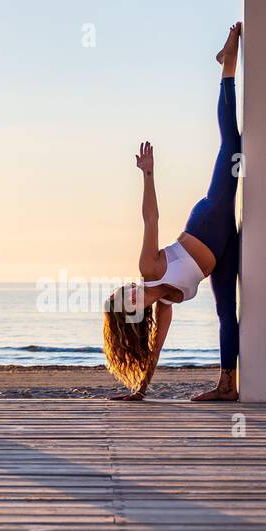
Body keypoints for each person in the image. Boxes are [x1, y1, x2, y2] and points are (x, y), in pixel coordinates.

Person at [103, 22, 242, 401]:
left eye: (123, 291)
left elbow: (151, 219)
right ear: (134, 312)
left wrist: (148, 175)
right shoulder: (163, 306)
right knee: (227, 312)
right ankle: (227, 385)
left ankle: (226, 66)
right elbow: (156, 349)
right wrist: (139, 390)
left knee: (233, 147)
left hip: (208, 223)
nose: (129, 289)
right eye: (127, 297)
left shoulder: (149, 269)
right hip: (221, 252)